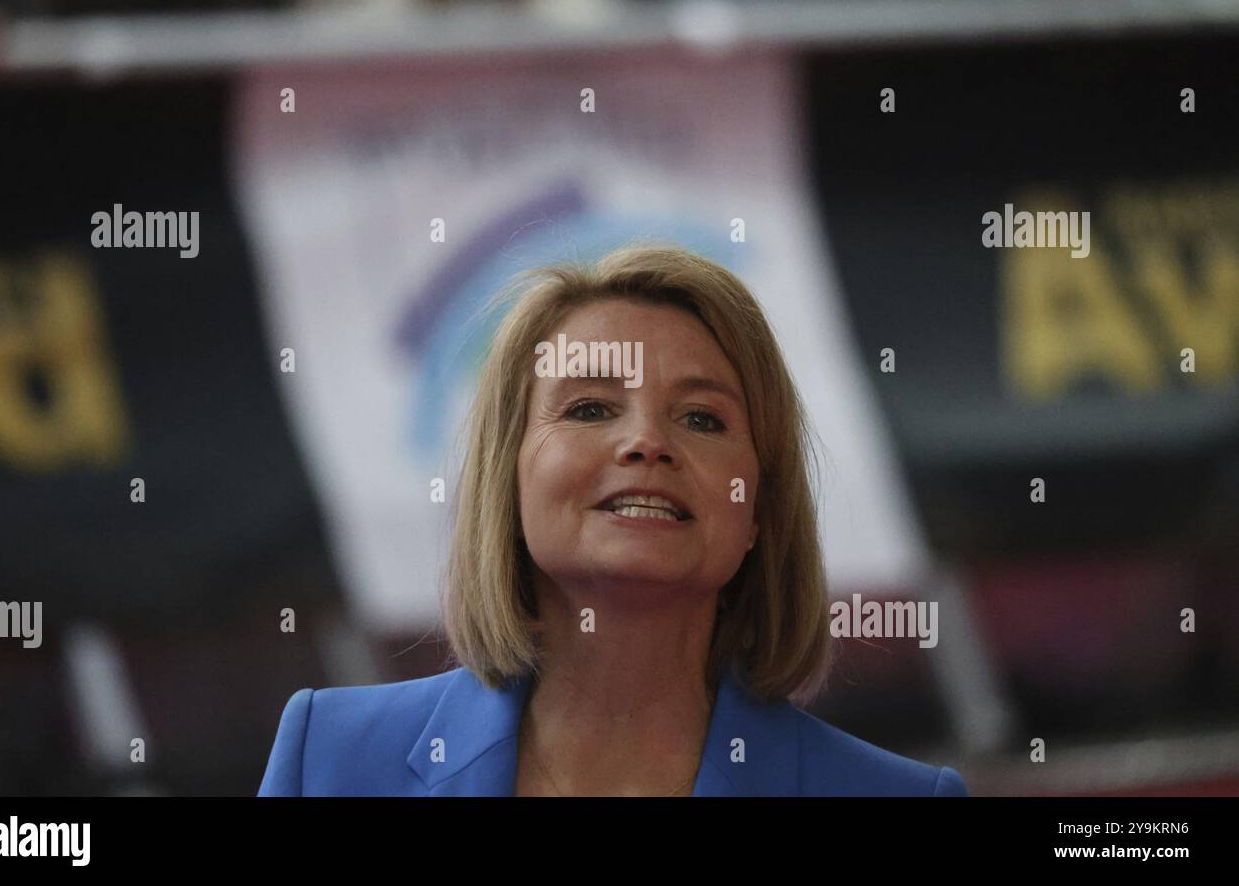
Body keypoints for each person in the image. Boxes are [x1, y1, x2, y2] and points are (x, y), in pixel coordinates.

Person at [259, 243, 969, 796]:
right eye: (590, 408)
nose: (647, 443)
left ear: (758, 511)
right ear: (508, 481)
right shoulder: (330, 757)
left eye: (701, 418)